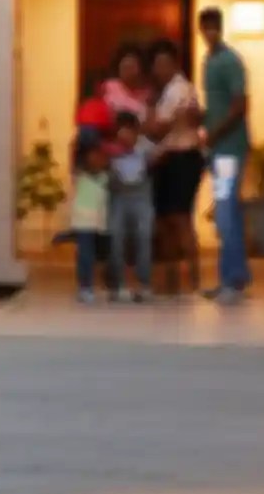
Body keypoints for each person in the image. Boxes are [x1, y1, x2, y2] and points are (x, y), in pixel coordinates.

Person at [199, 6, 252, 305]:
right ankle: (234, 276)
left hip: (229, 150)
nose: (210, 32)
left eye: (213, 26)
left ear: (220, 27)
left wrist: (214, 133)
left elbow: (240, 106)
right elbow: (216, 106)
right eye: (205, 27)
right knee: (226, 213)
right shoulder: (209, 60)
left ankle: (231, 281)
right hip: (218, 150)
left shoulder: (231, 61)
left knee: (226, 213)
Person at [145, 39, 205, 296]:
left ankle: (193, 279)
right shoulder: (172, 90)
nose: (159, 68)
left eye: (163, 63)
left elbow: (158, 131)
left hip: (182, 159)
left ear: (174, 64)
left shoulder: (177, 90)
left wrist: (146, 117)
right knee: (165, 221)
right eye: (156, 64)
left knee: (179, 219)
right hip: (171, 160)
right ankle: (172, 281)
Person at [108, 111, 158, 302]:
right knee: (117, 236)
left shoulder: (145, 145)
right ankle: (119, 284)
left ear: (136, 131)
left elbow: (157, 156)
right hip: (120, 194)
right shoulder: (112, 147)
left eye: (129, 131)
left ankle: (144, 284)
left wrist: (143, 156)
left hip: (141, 193)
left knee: (143, 236)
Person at [69, 134, 109, 304]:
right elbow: (73, 155)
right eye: (92, 155)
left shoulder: (106, 177)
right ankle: (85, 286)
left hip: (99, 222)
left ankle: (90, 285)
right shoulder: (80, 175)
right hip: (82, 222)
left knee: (94, 255)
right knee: (85, 254)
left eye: (99, 155)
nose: (97, 158)